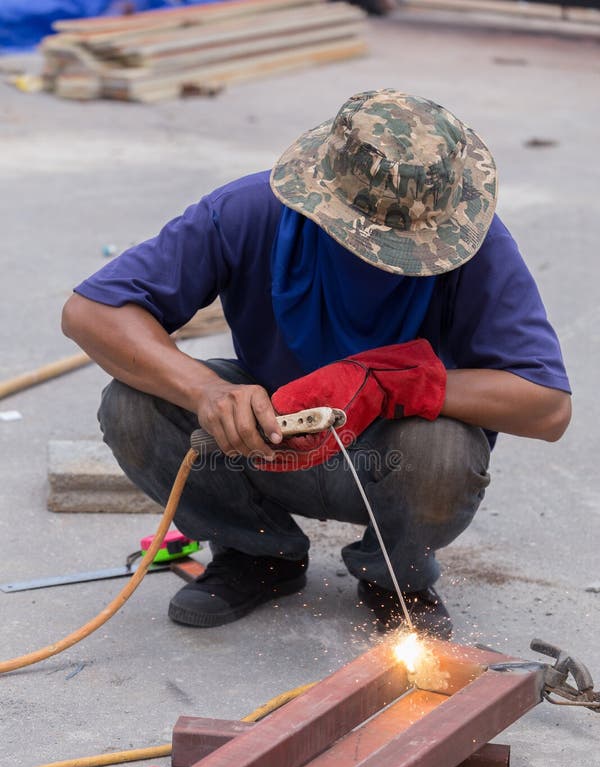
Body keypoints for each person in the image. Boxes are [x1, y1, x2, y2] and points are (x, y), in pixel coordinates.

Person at [61, 89, 571, 639]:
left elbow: (547, 408)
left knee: (442, 450)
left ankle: (395, 577)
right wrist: (206, 391)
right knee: (133, 404)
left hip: (390, 458)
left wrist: (399, 382)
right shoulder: (248, 211)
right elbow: (88, 311)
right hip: (266, 435)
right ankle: (258, 554)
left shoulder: (474, 245)